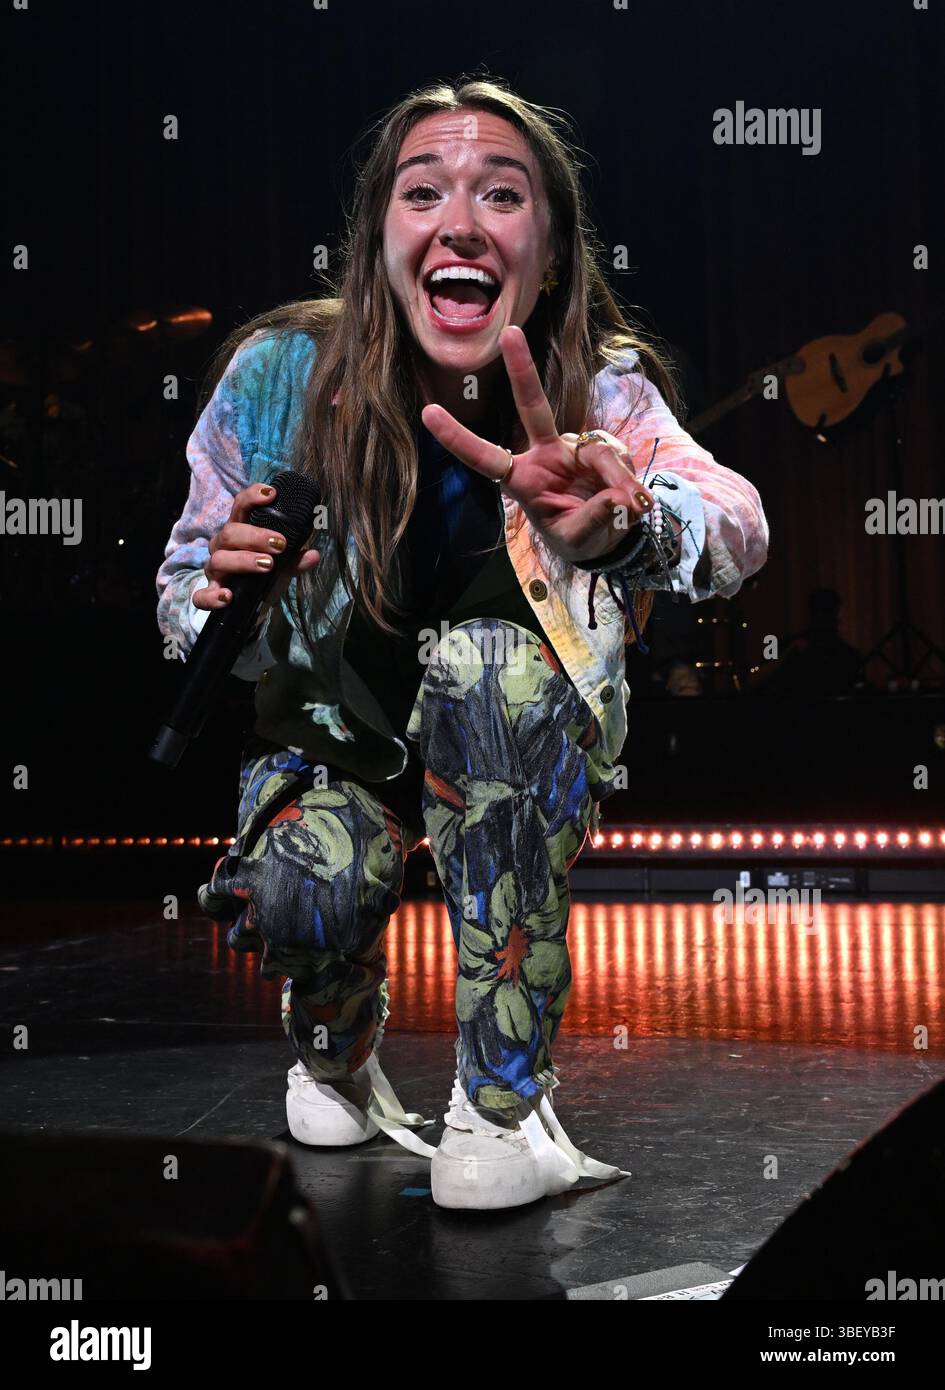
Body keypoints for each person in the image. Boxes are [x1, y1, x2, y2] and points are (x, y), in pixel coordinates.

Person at [156, 76, 769, 1211]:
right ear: (379, 237)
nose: (460, 221)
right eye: (422, 190)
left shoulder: (598, 383)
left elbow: (738, 521)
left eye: (502, 192)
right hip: (339, 745)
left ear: (548, 247)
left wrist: (630, 523)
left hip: (505, 742)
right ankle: (335, 1049)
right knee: (302, 889)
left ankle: (500, 1106)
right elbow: (180, 584)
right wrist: (217, 593)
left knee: (491, 671)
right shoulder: (281, 375)